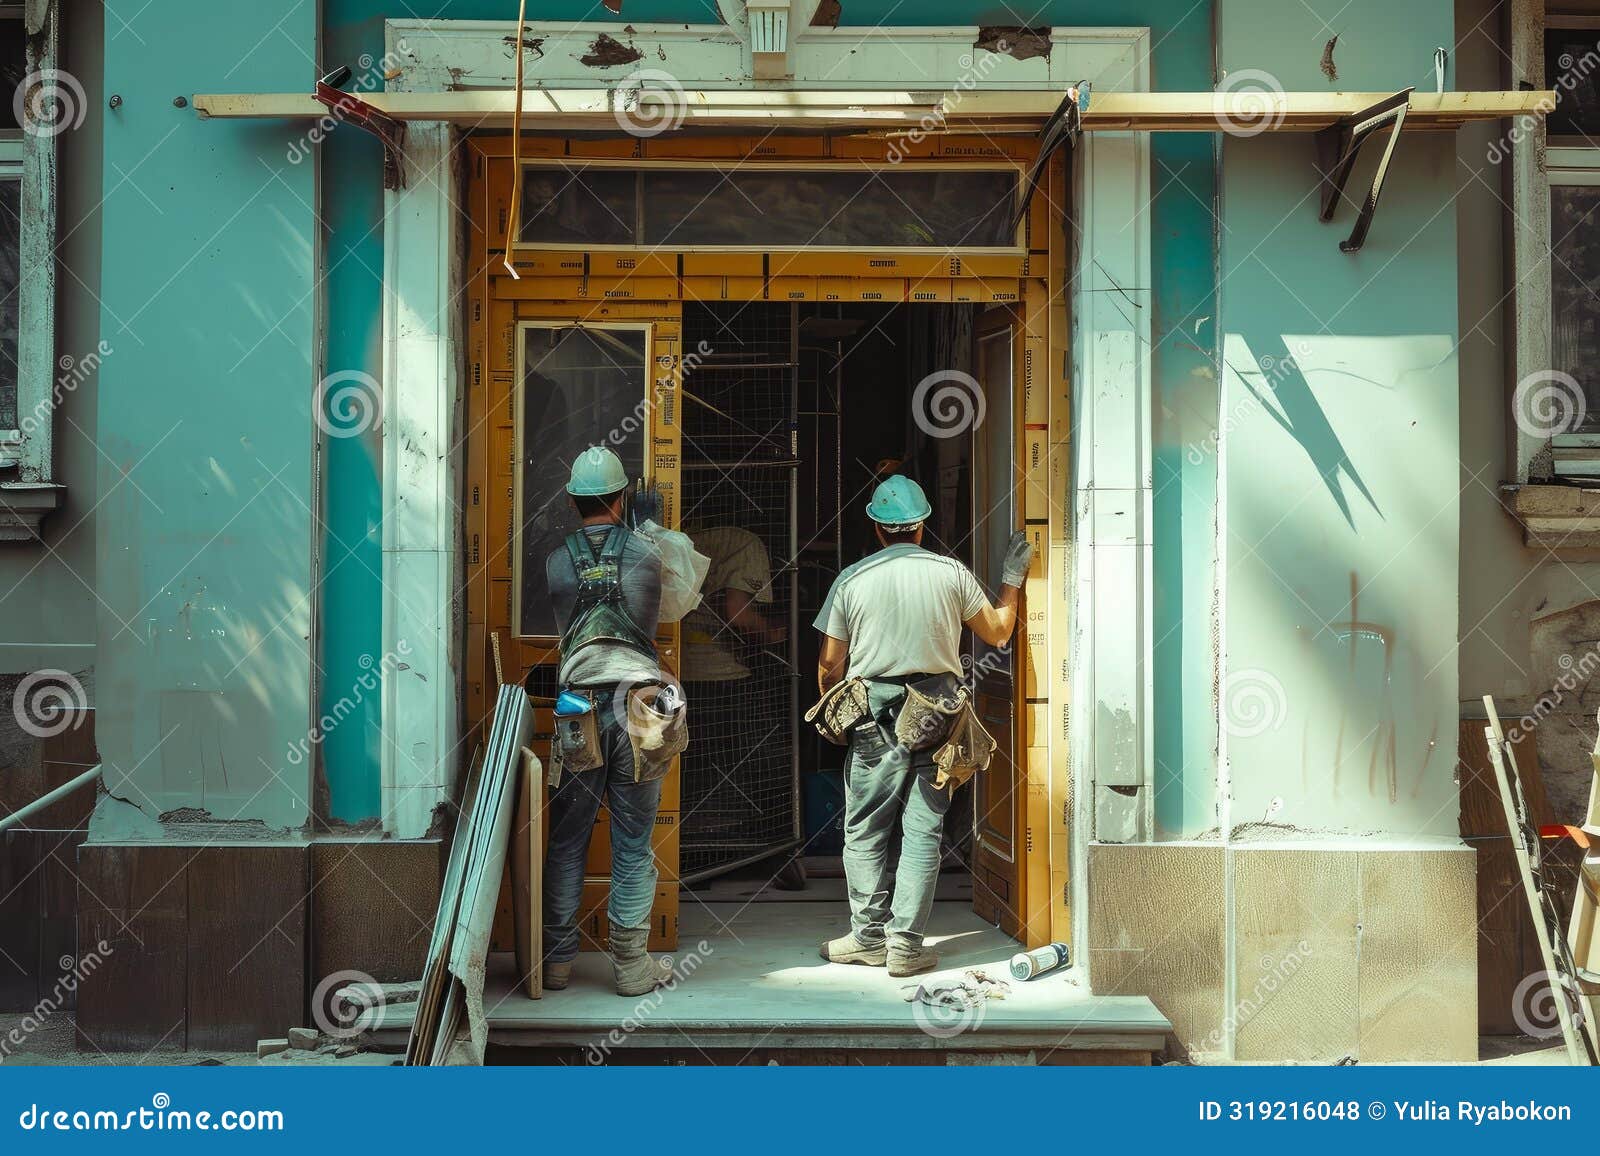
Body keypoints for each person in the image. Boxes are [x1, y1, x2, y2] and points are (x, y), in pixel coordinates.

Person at [812, 474, 1034, 978]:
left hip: (873, 716)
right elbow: (998, 632)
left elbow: (830, 664)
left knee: (865, 829)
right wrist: (1012, 580)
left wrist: (832, 708)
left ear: (876, 528)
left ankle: (867, 938)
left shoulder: (851, 580)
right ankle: (906, 946)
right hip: (937, 713)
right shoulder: (950, 573)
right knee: (922, 832)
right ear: (922, 526)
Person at [542, 445, 682, 997]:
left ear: (573, 501)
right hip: (640, 703)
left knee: (568, 840)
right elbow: (653, 620)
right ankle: (630, 967)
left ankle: (555, 964)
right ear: (622, 497)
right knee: (632, 840)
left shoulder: (556, 562)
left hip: (578, 704)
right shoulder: (647, 557)